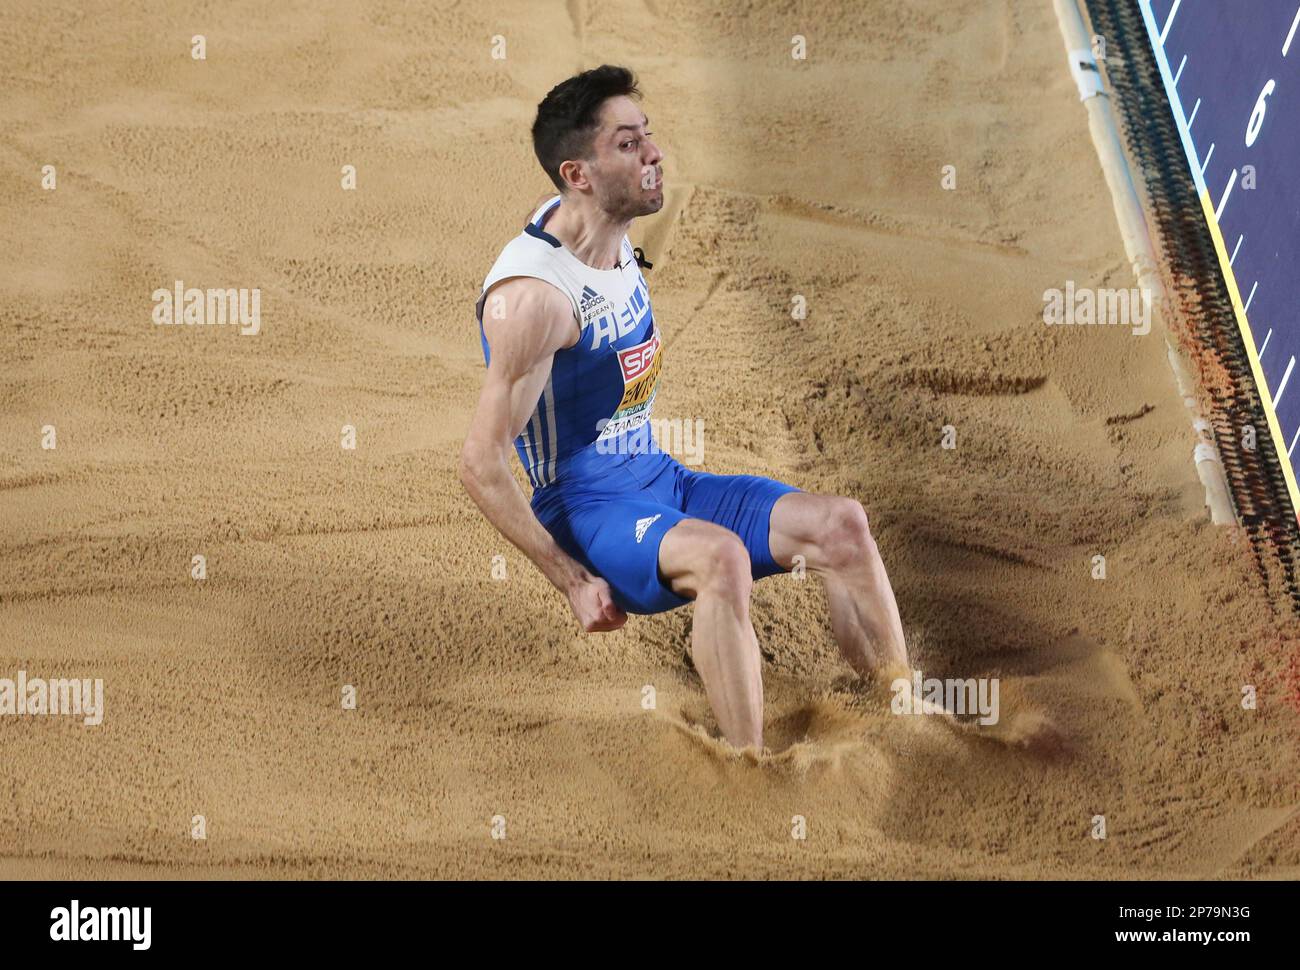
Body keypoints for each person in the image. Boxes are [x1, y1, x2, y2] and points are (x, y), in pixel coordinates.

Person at [460, 65, 909, 750]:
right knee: (722, 558)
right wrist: (573, 581)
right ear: (578, 174)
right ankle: (749, 765)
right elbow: (480, 463)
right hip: (588, 510)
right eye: (628, 145)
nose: (654, 155)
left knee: (843, 526)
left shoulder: (592, 221)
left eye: (649, 137)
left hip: (659, 479)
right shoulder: (533, 303)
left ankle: (905, 712)